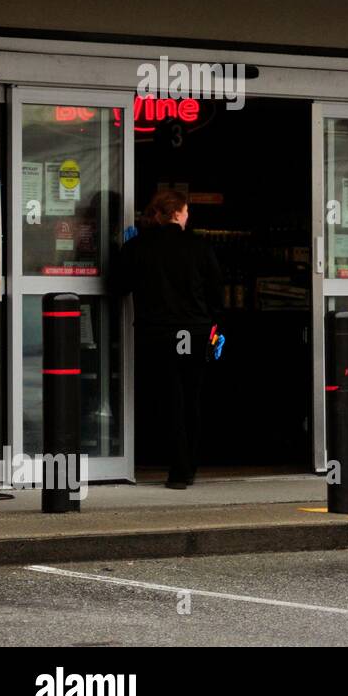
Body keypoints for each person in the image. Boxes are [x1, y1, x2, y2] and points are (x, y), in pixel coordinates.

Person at [116, 190, 223, 488]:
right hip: (195, 331)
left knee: (168, 399)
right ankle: (188, 466)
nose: (188, 216)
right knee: (192, 398)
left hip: (156, 332)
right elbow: (216, 293)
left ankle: (176, 466)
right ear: (178, 213)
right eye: (187, 211)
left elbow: (120, 285)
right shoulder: (200, 246)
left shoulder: (137, 246)